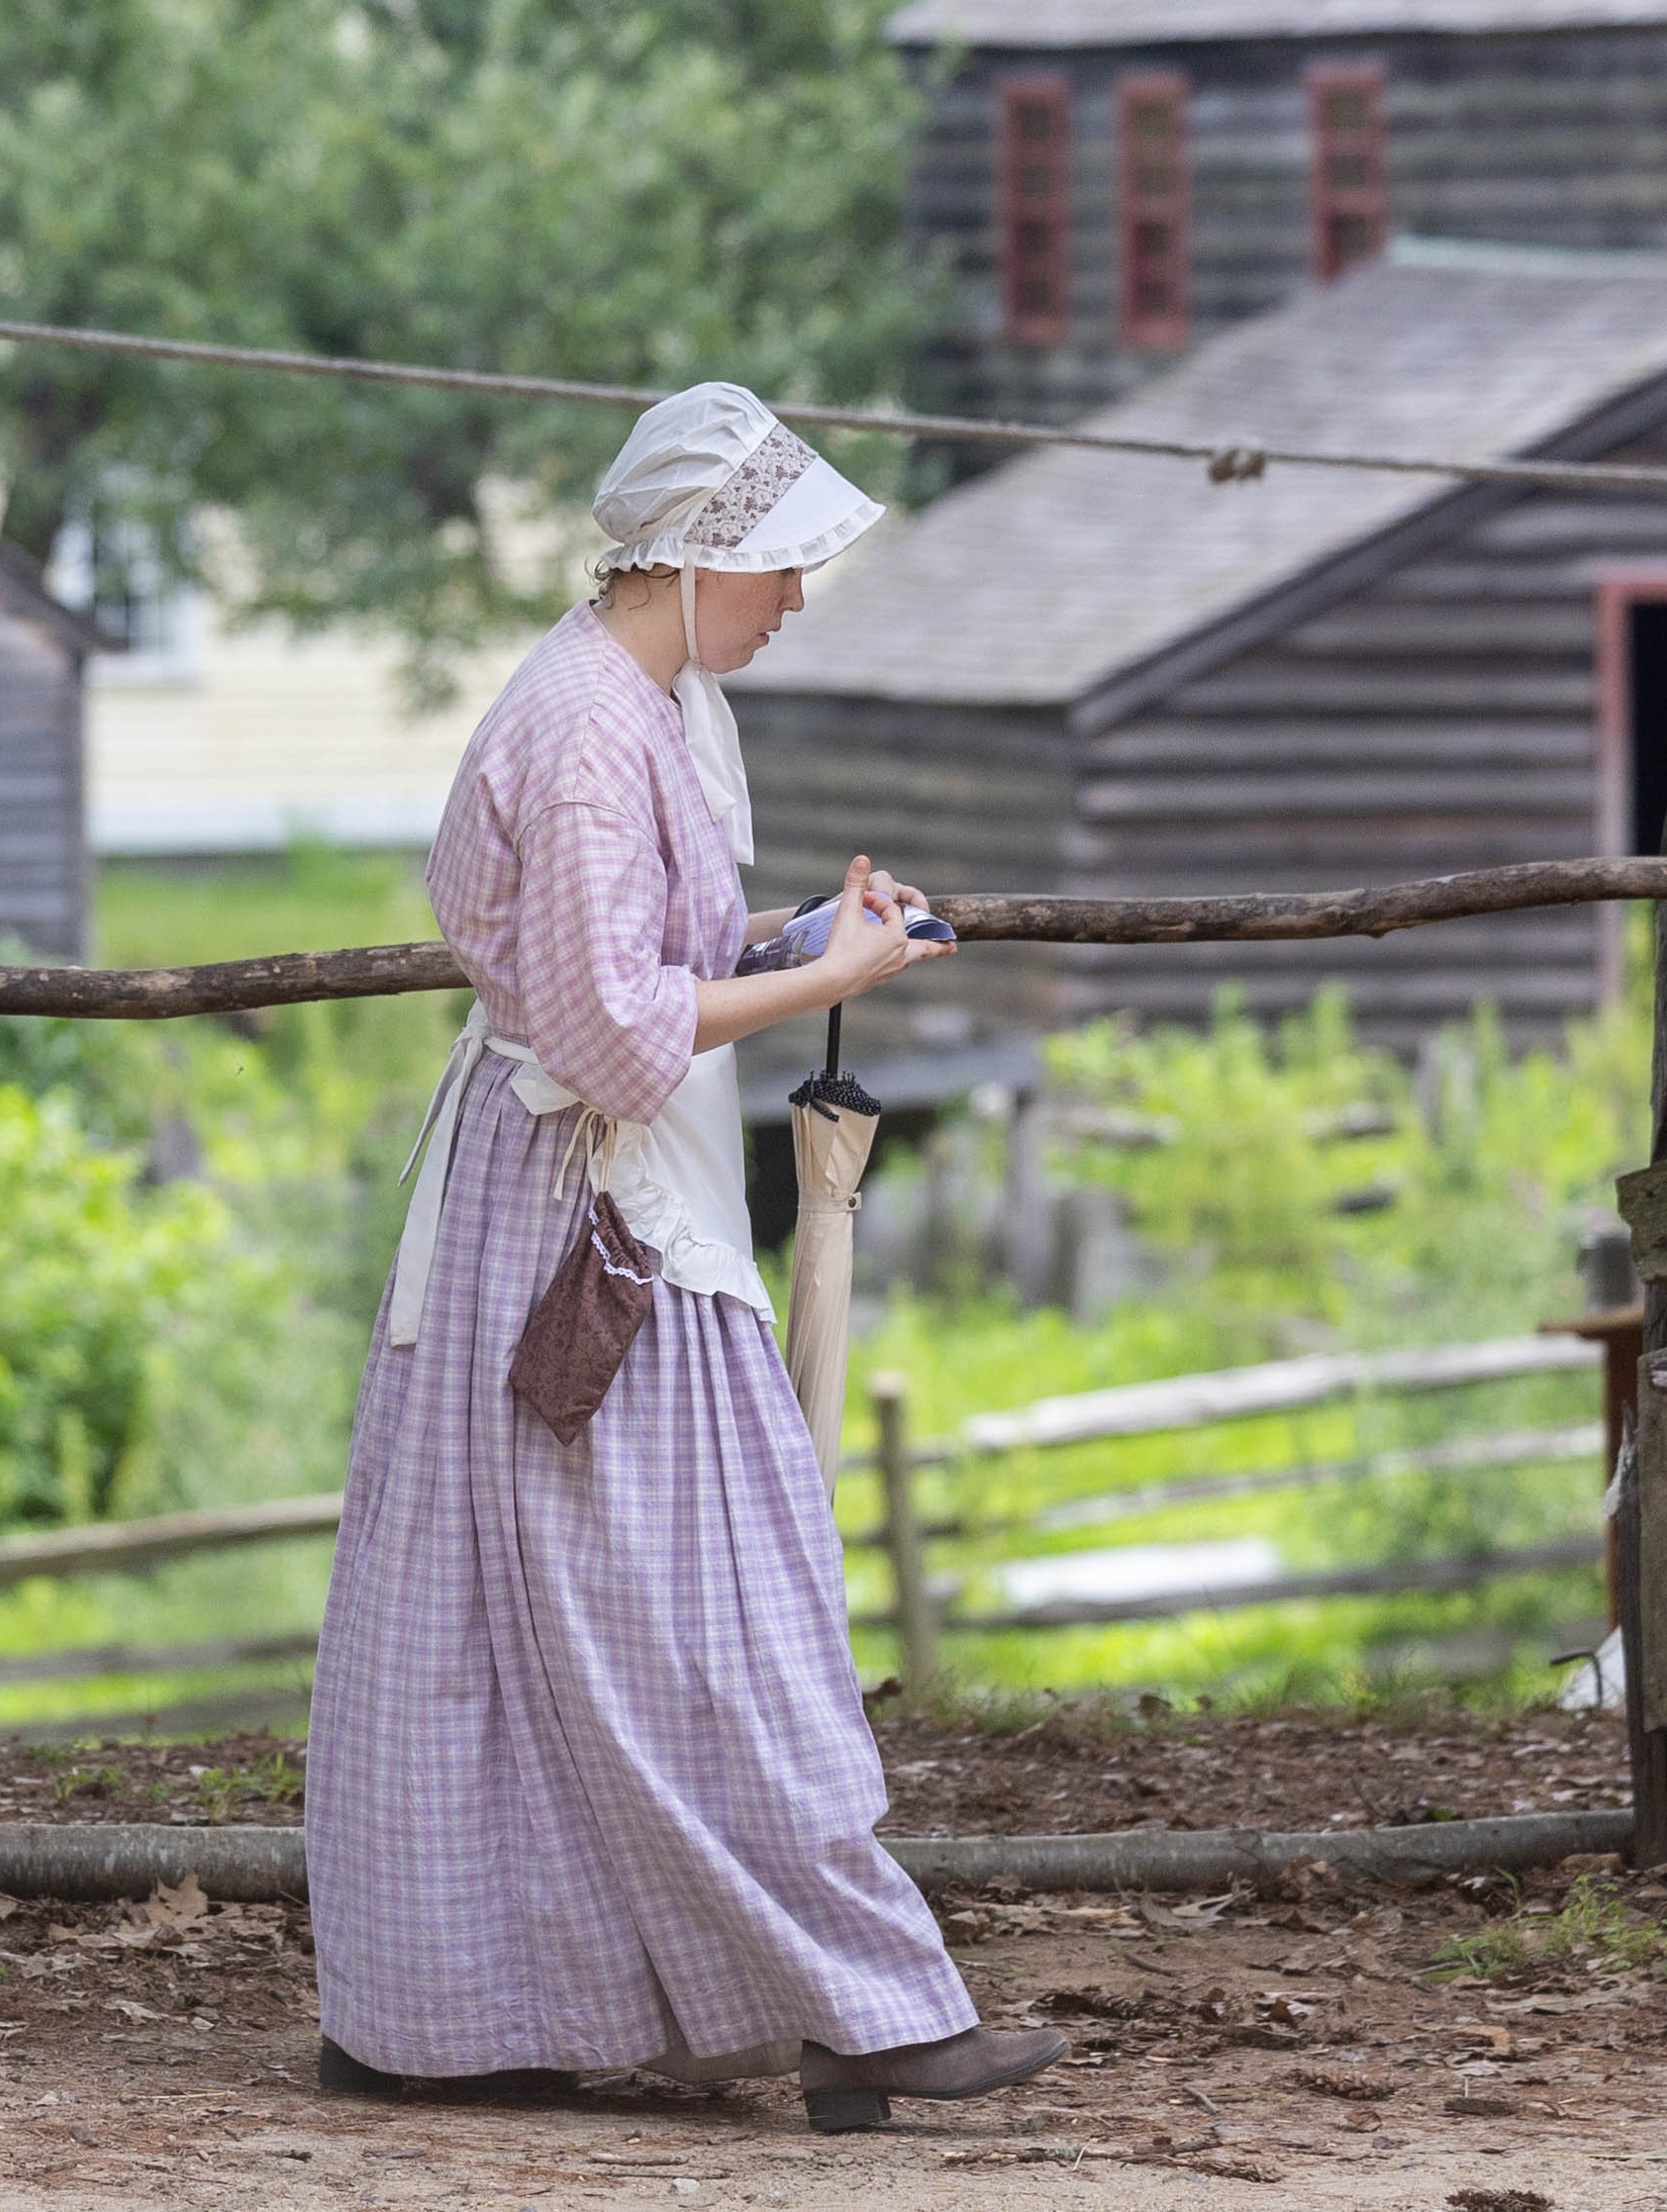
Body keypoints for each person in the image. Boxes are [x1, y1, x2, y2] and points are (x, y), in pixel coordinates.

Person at [301, 382, 1065, 2136]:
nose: (794, 600)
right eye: (781, 565)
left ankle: (480, 2017)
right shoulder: (582, 727)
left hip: (586, 1196)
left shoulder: (644, 699)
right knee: (702, 1623)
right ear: (694, 552)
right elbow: (607, 1021)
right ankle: (854, 2016)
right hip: (582, 1214)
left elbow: (649, 950)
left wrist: (808, 932)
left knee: (592, 1623)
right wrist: (825, 985)